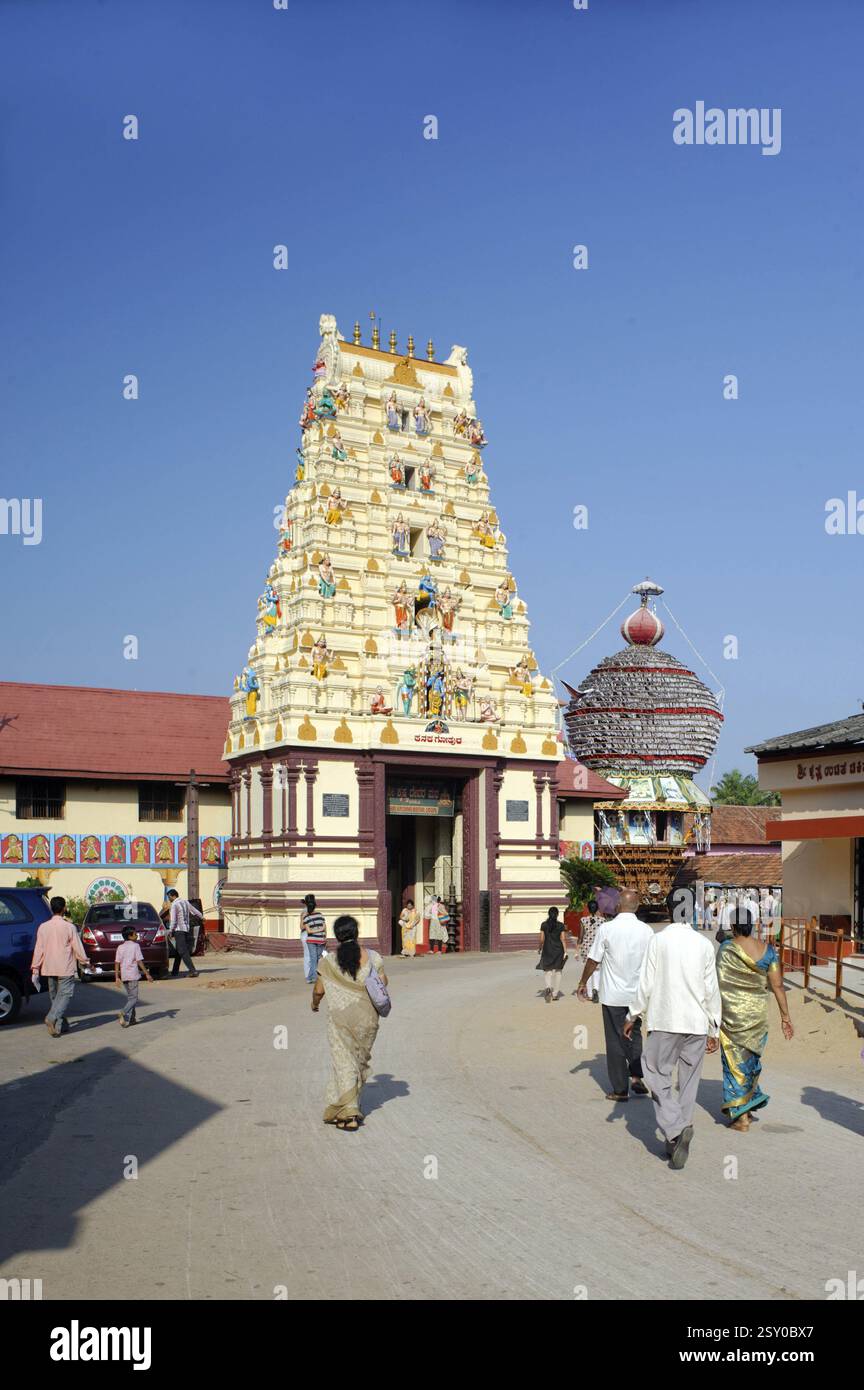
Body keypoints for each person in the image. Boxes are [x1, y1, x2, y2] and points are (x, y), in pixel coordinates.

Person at [624, 912, 722, 1169]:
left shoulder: (658, 940)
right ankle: (677, 1136)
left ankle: (676, 1130)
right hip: (697, 1023)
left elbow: (645, 981)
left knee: (656, 1072)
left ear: (669, 911)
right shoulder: (704, 944)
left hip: (666, 1019)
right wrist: (715, 1028)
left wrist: (632, 1013)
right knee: (689, 1082)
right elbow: (712, 989)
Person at [716, 904, 793, 1132]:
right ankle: (746, 1108)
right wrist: (785, 1017)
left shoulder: (726, 949)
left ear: (732, 926)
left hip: (731, 1015)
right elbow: (777, 986)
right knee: (749, 1062)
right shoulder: (768, 951)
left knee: (733, 1064)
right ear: (753, 925)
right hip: (757, 1017)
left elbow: (717, 983)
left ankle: (741, 1118)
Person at [311, 916, 388, 1131]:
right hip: (368, 1020)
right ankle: (348, 1108)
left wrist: (314, 1004)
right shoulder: (373, 957)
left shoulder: (327, 962)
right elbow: (383, 984)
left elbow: (318, 990)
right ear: (356, 933)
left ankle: (350, 1113)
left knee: (344, 1063)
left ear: (336, 936)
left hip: (340, 1020)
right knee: (358, 1062)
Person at [577, 888, 653, 1102]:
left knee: (615, 1040)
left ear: (619, 906)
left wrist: (583, 982)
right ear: (637, 907)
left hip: (613, 996)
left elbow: (593, 960)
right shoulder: (646, 931)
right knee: (635, 1034)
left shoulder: (607, 929)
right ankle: (637, 1076)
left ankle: (620, 1089)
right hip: (637, 996)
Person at [30, 896, 88, 1037]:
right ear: (64, 908)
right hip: (65, 967)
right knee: (65, 995)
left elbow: (39, 949)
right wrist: (85, 961)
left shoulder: (43, 927)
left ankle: (60, 1026)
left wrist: (35, 968)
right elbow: (77, 947)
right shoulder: (69, 927)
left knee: (55, 997)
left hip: (49, 967)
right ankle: (51, 1018)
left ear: (51, 908)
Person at [114, 924, 153, 1028]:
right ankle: (122, 1013)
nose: (137, 935)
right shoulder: (136, 946)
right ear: (130, 936)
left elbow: (117, 962)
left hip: (124, 976)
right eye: (135, 934)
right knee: (134, 999)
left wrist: (117, 977)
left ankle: (132, 1019)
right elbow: (139, 961)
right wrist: (147, 974)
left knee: (131, 998)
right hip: (133, 975)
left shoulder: (120, 947)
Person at [166, 890, 202, 978]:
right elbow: (195, 912)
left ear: (172, 896)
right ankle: (175, 971)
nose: (169, 899)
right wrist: (202, 917)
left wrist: (170, 930)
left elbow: (173, 920)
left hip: (179, 930)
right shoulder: (185, 902)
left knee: (182, 951)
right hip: (186, 930)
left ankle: (193, 970)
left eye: (169, 897)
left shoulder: (174, 905)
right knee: (179, 950)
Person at [575, 899, 604, 1002]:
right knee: (597, 969)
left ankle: (590, 994)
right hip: (598, 948)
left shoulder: (583, 920)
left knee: (588, 969)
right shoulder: (602, 921)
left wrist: (577, 950)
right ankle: (596, 989)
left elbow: (581, 936)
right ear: (597, 909)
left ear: (588, 908)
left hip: (587, 948)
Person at [536, 906, 566, 1001]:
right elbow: (563, 939)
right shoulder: (561, 925)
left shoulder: (544, 925)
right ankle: (555, 994)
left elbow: (541, 939)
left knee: (547, 970)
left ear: (548, 914)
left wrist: (540, 948)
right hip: (558, 950)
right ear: (557, 914)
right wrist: (565, 951)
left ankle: (548, 987)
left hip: (547, 950)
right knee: (558, 971)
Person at [299, 893, 327, 983]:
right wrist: (319, 930)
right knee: (312, 957)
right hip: (309, 935)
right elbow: (302, 927)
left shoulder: (308, 912)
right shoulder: (306, 912)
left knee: (312, 957)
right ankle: (311, 976)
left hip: (310, 936)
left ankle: (310, 976)